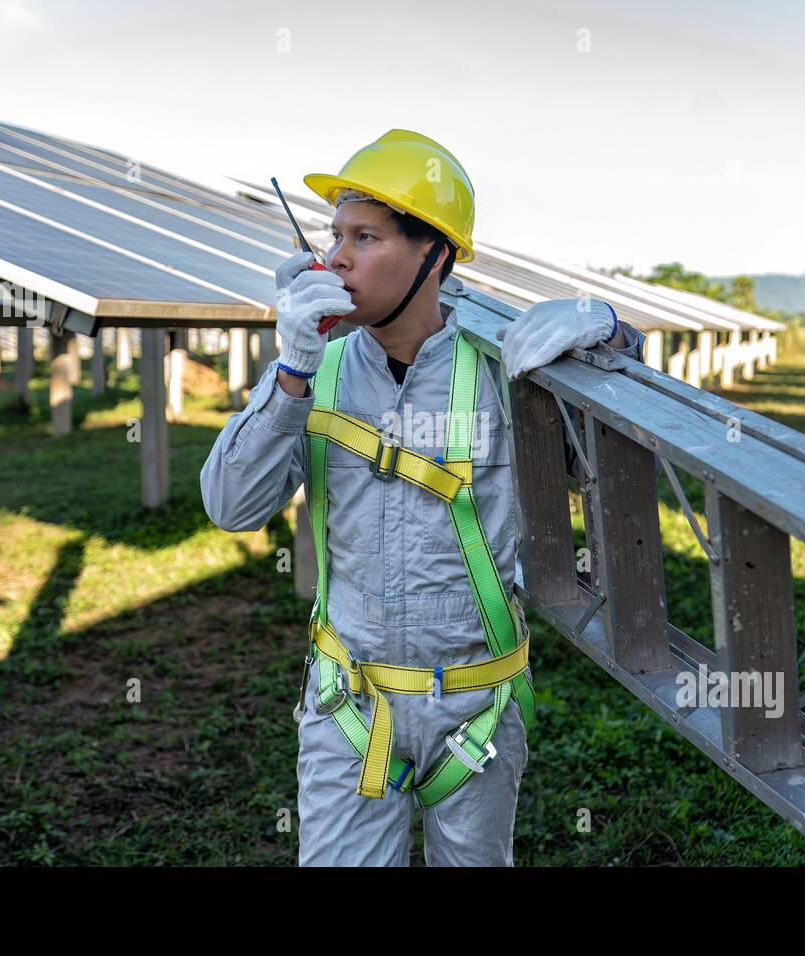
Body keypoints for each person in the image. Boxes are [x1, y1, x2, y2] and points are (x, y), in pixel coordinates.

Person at [200, 129, 648, 866]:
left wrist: (616, 342)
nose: (336, 257)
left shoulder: (510, 367)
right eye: (334, 235)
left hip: (476, 712)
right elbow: (230, 506)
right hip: (350, 703)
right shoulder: (316, 366)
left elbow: (620, 473)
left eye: (365, 237)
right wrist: (288, 374)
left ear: (434, 254)